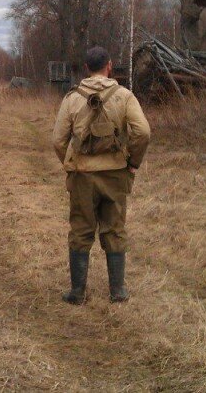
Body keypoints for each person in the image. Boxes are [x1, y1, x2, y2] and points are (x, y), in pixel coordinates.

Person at [51, 46, 151, 304]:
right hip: (116, 174)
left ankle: (77, 293)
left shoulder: (72, 97)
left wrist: (70, 163)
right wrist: (133, 163)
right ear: (109, 65)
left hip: (82, 175)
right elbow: (143, 132)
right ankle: (117, 292)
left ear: (86, 68)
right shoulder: (124, 95)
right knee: (115, 230)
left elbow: (58, 140)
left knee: (81, 230)